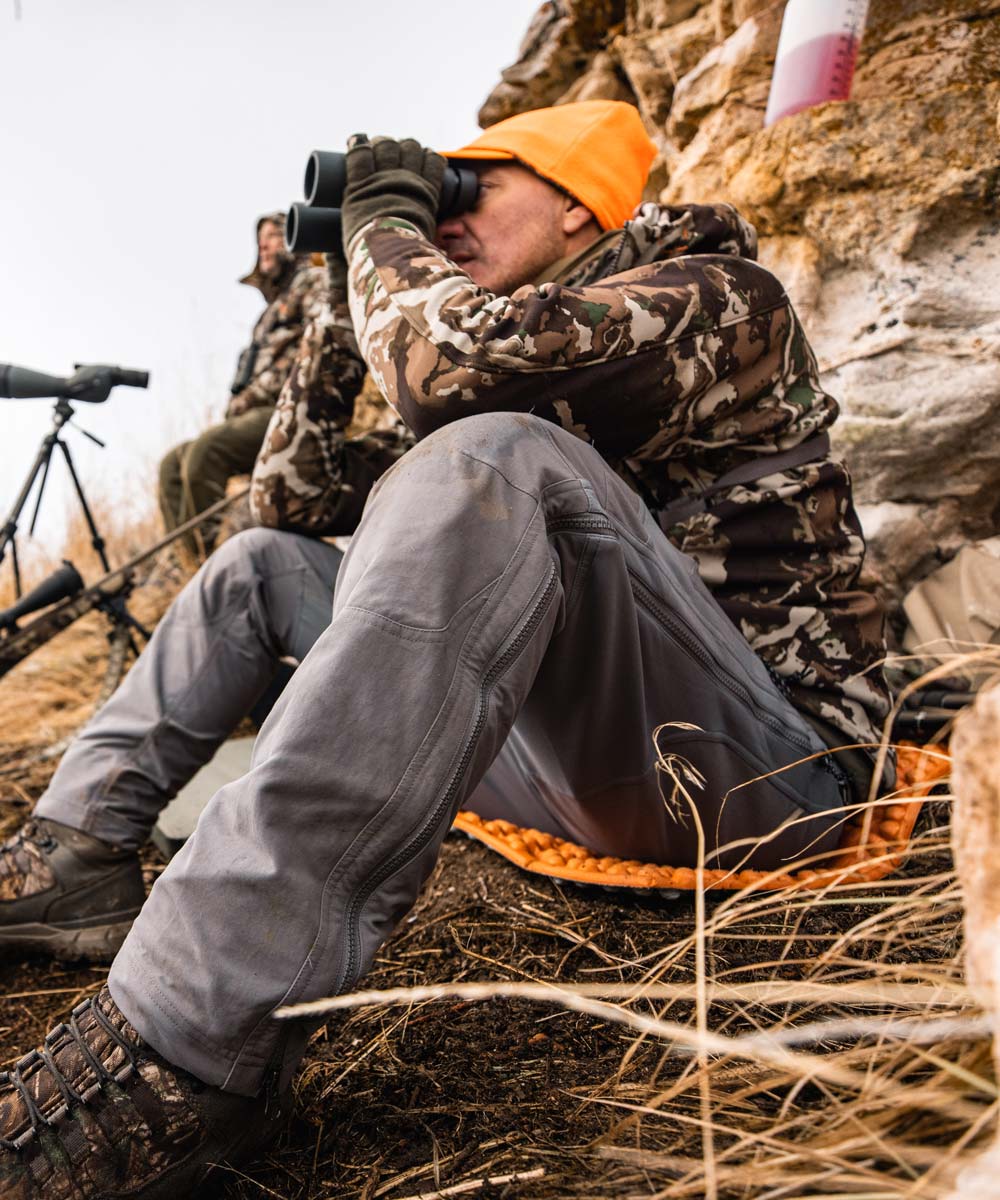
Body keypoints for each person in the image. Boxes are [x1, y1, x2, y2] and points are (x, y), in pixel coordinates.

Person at [0, 101, 893, 1195]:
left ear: (578, 205)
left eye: (467, 188)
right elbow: (288, 499)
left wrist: (385, 223)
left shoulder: (717, 295)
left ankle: (181, 1049)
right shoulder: (484, 332)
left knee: (491, 457)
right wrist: (349, 301)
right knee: (263, 566)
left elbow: (456, 373)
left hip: (769, 779)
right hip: (587, 770)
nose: (442, 220)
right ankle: (74, 857)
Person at [157, 212, 326, 555]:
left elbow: (324, 339)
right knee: (172, 465)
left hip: (287, 409)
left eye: (273, 236)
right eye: (260, 239)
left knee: (206, 451)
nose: (263, 245)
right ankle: (193, 563)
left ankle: (212, 560)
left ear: (293, 241)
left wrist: (277, 391)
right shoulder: (269, 313)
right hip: (251, 415)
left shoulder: (313, 281)